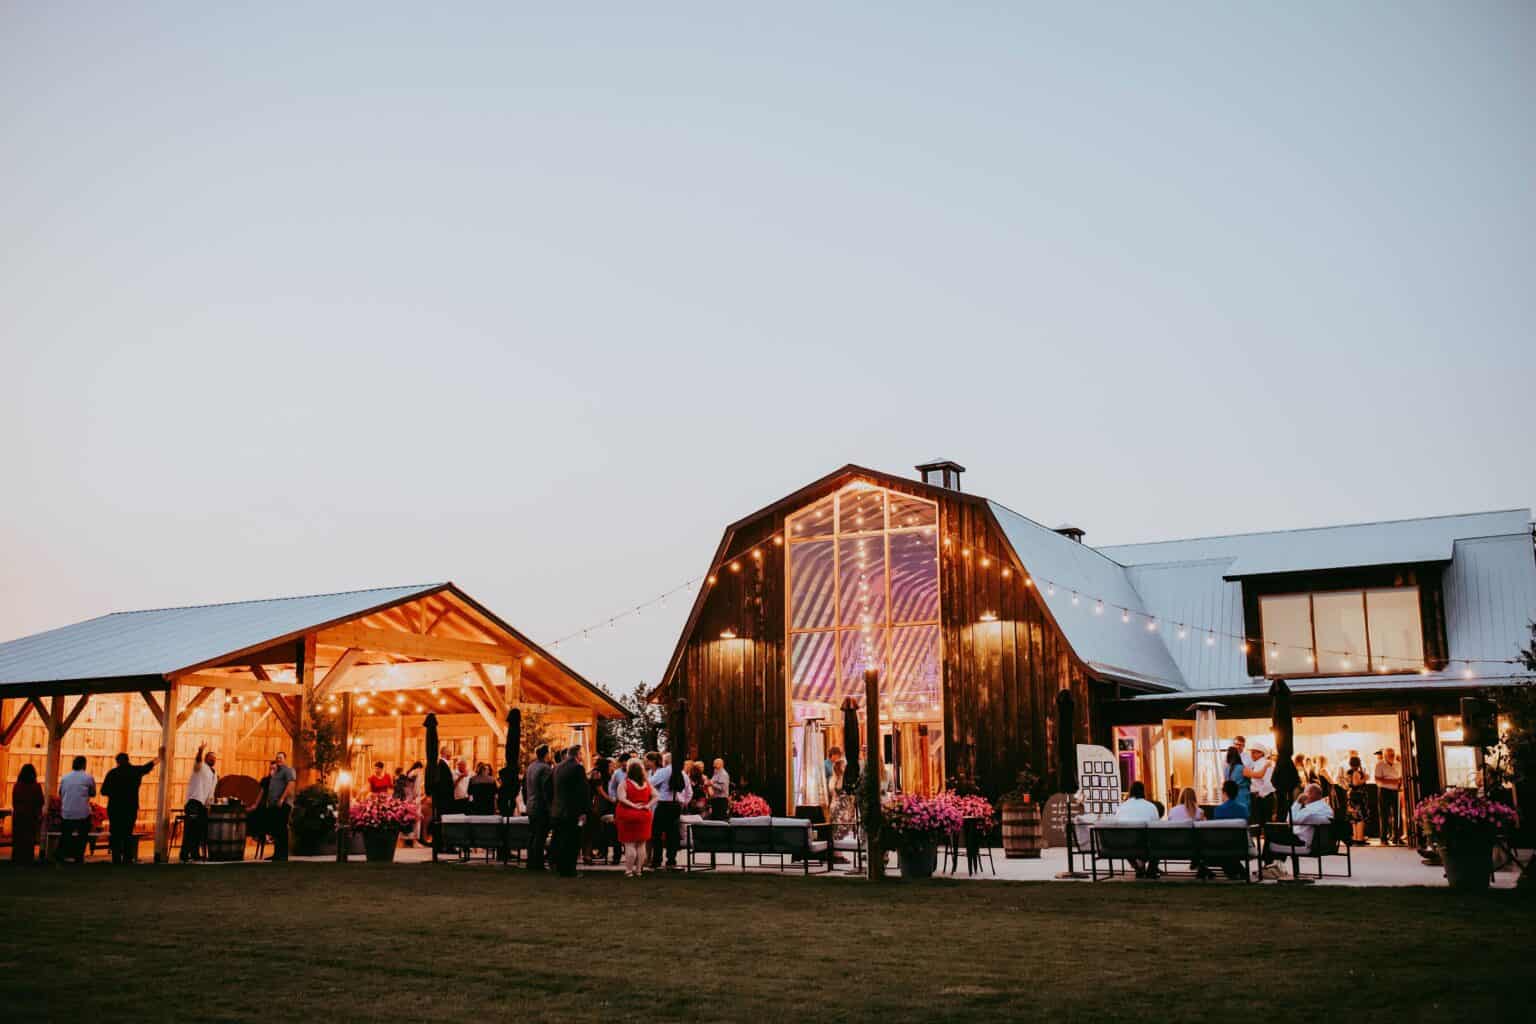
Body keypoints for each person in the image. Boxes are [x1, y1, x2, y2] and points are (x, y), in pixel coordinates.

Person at [1262, 783, 1335, 878]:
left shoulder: (1312, 809)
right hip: (1315, 842)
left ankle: (1268, 867)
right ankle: (1276, 866)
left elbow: (1290, 820)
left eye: (1304, 792)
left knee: (1270, 835)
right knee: (1279, 834)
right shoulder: (1325, 808)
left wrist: (1298, 802)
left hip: (1302, 842)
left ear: (1311, 794)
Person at [101, 751, 157, 864]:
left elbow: (103, 791)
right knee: (127, 832)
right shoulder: (135, 771)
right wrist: (159, 758)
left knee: (116, 832)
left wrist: (114, 792)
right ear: (128, 760)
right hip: (130, 806)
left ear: (117, 762)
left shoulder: (112, 773)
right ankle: (127, 858)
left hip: (115, 807)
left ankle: (116, 858)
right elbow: (147, 767)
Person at [648, 751, 691, 870]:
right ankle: (671, 860)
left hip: (663, 804)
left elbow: (650, 782)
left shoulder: (664, 771)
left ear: (666, 761)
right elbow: (689, 792)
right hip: (676, 805)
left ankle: (657, 860)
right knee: (672, 833)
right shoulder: (683, 774)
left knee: (656, 832)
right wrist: (683, 802)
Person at [615, 758, 657, 877]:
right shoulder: (647, 784)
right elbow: (656, 796)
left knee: (629, 844)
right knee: (641, 844)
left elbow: (622, 798)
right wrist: (647, 805)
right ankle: (639, 870)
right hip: (644, 815)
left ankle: (628, 870)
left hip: (628, 814)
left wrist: (634, 805)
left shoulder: (625, 783)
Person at [551, 745, 588, 877]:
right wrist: (583, 811)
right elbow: (583, 791)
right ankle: (570, 869)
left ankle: (561, 867)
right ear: (577, 754)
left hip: (558, 809)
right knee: (573, 841)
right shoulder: (578, 768)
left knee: (561, 839)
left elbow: (548, 787)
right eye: (581, 753)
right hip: (573, 811)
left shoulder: (558, 767)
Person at [54, 754, 98, 864]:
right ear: (84, 765)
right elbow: (93, 793)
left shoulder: (65, 778)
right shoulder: (88, 777)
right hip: (82, 812)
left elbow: (60, 793)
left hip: (67, 812)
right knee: (83, 834)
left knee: (65, 834)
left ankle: (61, 854)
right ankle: (79, 856)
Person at [1113, 780, 1161, 878]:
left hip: (1125, 844)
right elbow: (1156, 825)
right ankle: (1150, 870)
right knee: (1158, 841)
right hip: (1145, 844)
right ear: (1143, 791)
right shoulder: (1150, 806)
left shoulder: (1121, 807)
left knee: (1127, 843)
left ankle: (1138, 867)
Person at [181, 743, 217, 862]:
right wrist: (200, 751)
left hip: (203, 804)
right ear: (206, 758)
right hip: (194, 802)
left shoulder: (214, 773)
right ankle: (184, 854)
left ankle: (195, 853)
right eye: (210, 757)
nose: (213, 759)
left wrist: (209, 805)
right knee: (190, 828)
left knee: (199, 829)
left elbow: (211, 791)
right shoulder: (200, 767)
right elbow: (197, 760)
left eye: (214, 758)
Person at [522, 744, 553, 870]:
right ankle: (538, 863)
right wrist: (549, 806)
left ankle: (531, 861)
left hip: (530, 804)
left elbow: (525, 787)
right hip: (540, 805)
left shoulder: (530, 767)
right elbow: (546, 789)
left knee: (533, 834)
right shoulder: (545, 768)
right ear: (546, 754)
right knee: (540, 835)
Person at [263, 750, 296, 860]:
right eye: (277, 758)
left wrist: (282, 798)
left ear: (285, 759)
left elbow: (290, 784)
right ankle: (277, 854)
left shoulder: (288, 771)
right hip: (274, 804)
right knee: (276, 829)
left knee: (282, 828)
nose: (278, 759)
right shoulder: (276, 772)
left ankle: (283, 855)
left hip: (283, 804)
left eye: (280, 758)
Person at [10, 763, 45, 864]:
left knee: (18, 838)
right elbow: (41, 801)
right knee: (29, 839)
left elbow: (14, 801)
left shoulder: (17, 786)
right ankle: (28, 858)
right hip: (31, 816)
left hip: (19, 815)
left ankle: (17, 858)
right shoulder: (36, 787)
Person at [584, 756, 614, 865]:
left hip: (595, 803)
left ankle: (590, 853)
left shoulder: (593, 772)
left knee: (592, 829)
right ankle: (588, 854)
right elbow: (600, 790)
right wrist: (611, 800)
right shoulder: (597, 773)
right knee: (592, 830)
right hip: (596, 804)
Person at [1374, 747, 1403, 845]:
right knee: (1384, 815)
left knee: (1397, 815)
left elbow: (1400, 778)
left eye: (1393, 754)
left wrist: (1399, 784)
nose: (1392, 756)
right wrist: (1393, 781)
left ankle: (1396, 837)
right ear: (1385, 755)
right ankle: (1383, 838)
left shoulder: (1398, 764)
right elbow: (1378, 780)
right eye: (1390, 754)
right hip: (1384, 791)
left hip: (1395, 791)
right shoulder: (1380, 764)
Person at [1244, 742, 1276, 824]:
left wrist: (1260, 794)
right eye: (1251, 752)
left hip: (1263, 797)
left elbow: (1268, 782)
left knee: (1263, 822)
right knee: (1258, 822)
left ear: (1261, 753)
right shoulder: (1256, 764)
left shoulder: (1265, 764)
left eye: (1254, 752)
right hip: (1258, 796)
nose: (1251, 754)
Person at [1344, 755, 1370, 843]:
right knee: (1360, 817)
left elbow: (1349, 784)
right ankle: (1360, 838)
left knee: (1354, 817)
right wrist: (1365, 779)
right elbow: (1356, 784)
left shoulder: (1348, 772)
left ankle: (1355, 837)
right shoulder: (1356, 773)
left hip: (1352, 795)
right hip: (1358, 796)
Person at [1224, 746, 1250, 815]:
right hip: (1242, 795)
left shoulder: (1226, 769)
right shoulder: (1242, 768)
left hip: (1230, 796)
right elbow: (1251, 780)